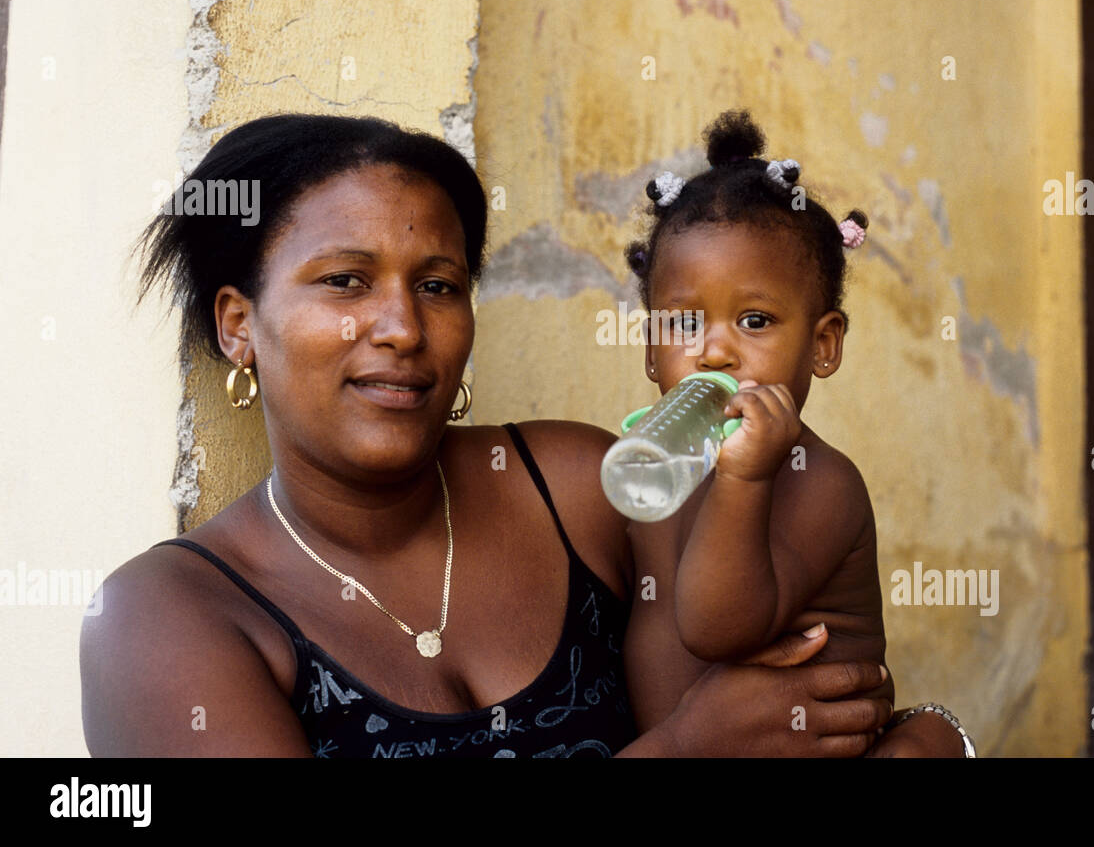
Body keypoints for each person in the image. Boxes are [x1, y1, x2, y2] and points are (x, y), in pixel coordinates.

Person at [81, 113, 963, 757]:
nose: (400, 326)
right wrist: (687, 751)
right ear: (238, 325)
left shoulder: (583, 485)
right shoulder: (165, 621)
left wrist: (931, 743)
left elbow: (783, 646)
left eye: (438, 285)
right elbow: (720, 723)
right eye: (346, 282)